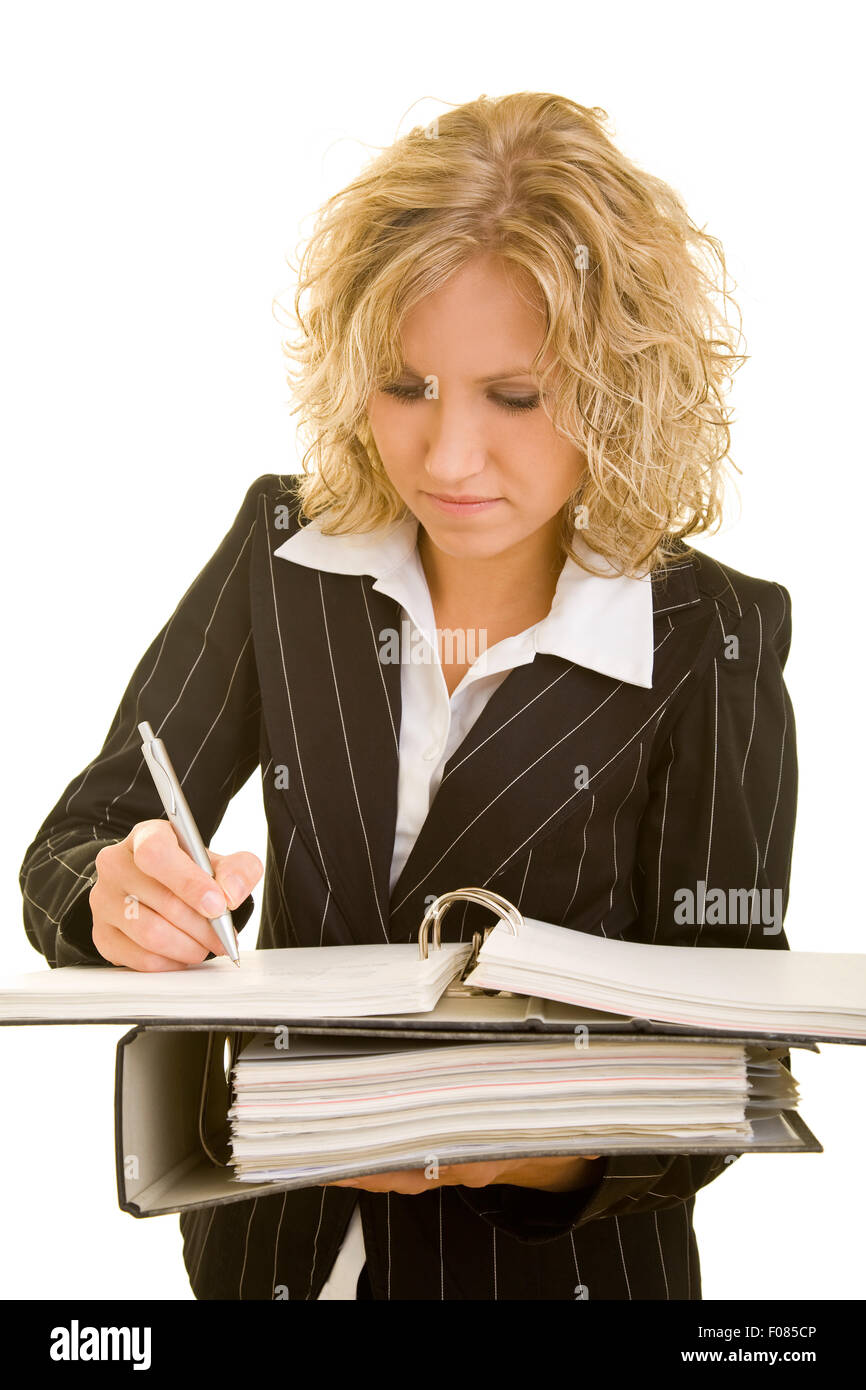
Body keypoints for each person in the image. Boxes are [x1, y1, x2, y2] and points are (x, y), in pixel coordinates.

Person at [19, 91, 797, 1300]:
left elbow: (720, 1053)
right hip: (272, 1258)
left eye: (515, 396)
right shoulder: (281, 558)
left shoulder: (709, 636)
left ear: (621, 384)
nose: (445, 457)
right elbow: (72, 845)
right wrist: (118, 898)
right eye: (404, 386)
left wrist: (536, 1155)